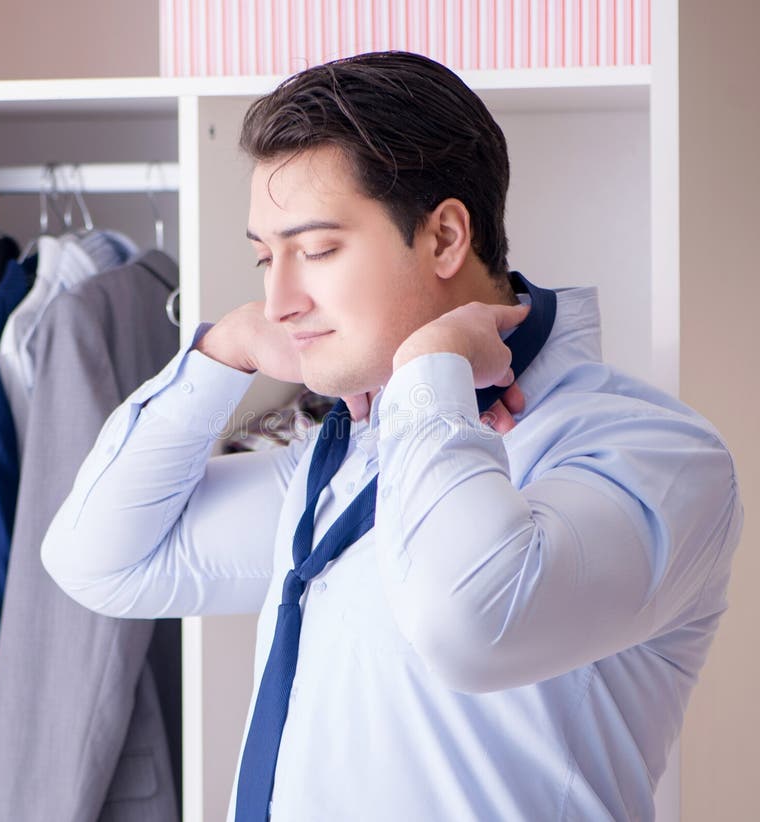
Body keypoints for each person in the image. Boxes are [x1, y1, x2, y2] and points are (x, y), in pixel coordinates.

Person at [42, 51, 742, 821]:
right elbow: (99, 561)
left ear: (444, 237)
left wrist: (432, 367)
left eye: (315, 251)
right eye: (262, 258)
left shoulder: (649, 455)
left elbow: (470, 624)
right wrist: (221, 353)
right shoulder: (334, 465)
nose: (278, 299)